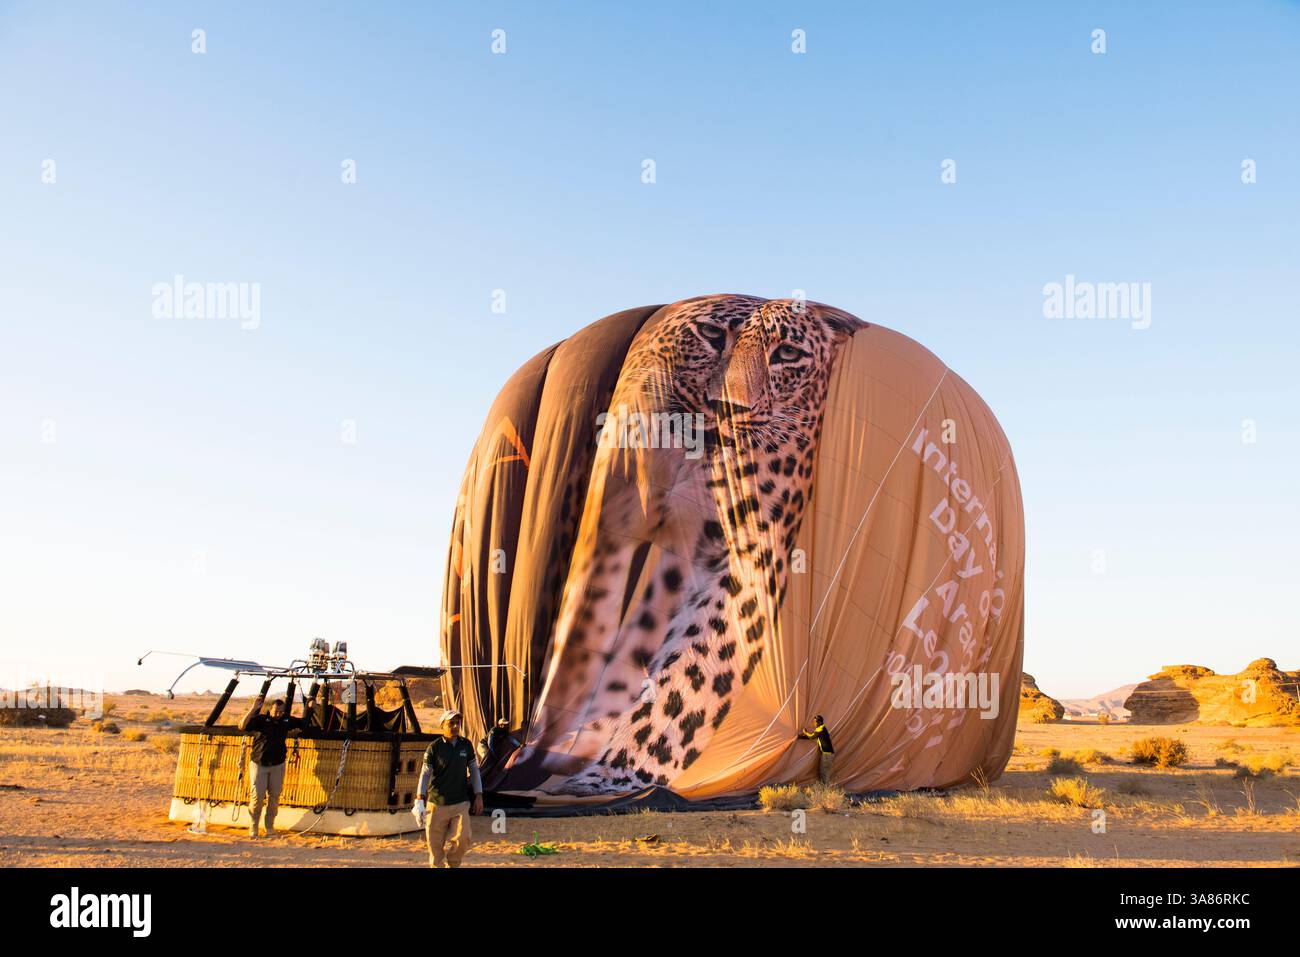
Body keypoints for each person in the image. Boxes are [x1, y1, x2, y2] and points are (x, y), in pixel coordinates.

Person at [412, 710, 484, 868]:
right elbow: (425, 774)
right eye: (451, 723)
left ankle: (453, 864)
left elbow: (474, 770)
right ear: (442, 725)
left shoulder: (466, 745)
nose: (455, 726)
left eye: (457, 723)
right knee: (435, 847)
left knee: (463, 839)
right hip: (437, 804)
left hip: (460, 802)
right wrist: (419, 798)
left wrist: (479, 795)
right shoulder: (434, 748)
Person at [238, 691, 312, 838]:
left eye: (281, 712)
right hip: (259, 763)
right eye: (276, 711)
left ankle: (269, 827)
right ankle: (253, 827)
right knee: (257, 798)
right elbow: (241, 726)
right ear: (270, 710)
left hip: (278, 764)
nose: (278, 714)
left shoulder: (286, 720)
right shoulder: (260, 720)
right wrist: (253, 709)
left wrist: (309, 708)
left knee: (274, 798)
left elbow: (303, 724)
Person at [796, 714, 835, 784]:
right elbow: (813, 736)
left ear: (820, 722)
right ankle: (825, 788)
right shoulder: (820, 729)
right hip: (826, 754)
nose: (814, 724)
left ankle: (826, 789)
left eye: (815, 722)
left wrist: (805, 732)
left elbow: (811, 737)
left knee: (824, 772)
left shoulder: (821, 729)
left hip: (827, 755)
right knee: (823, 771)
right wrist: (801, 737)